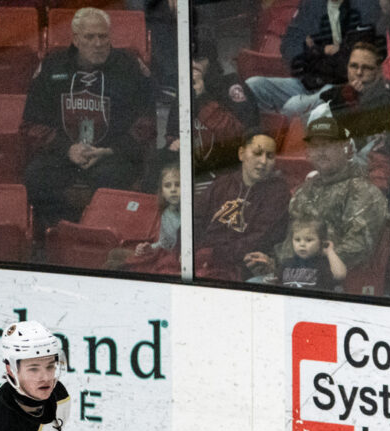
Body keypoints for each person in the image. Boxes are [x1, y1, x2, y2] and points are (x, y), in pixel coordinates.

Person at [22, 7, 154, 237]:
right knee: (37, 175)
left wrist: (110, 150)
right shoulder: (53, 66)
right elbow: (31, 124)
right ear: (75, 38)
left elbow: (146, 123)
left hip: (111, 155)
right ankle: (55, 239)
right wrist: (67, 149)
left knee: (115, 177)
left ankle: (103, 240)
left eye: (103, 36)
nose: (98, 43)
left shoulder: (129, 67)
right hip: (61, 153)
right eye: (89, 37)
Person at [276, 116, 389, 279]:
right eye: (315, 146)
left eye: (328, 144)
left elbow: (357, 248)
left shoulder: (363, 191)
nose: (321, 151)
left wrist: (307, 269)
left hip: (336, 285)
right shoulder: (303, 192)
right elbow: (290, 241)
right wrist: (276, 265)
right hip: (296, 277)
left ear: (344, 147)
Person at [246, 0, 381, 119]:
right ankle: (261, 142)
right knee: (253, 86)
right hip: (310, 80)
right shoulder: (314, 3)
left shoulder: (365, 5)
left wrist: (313, 52)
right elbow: (289, 44)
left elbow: (355, 58)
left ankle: (291, 142)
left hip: (340, 85)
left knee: (293, 105)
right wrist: (322, 51)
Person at [197, 133, 293, 283]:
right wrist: (186, 249)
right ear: (241, 154)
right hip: (202, 257)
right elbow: (194, 219)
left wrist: (213, 254)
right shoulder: (222, 184)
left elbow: (259, 240)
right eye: (257, 153)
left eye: (270, 156)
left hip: (240, 267)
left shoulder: (278, 193)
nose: (263, 161)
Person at [164, 38, 261, 178]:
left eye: (199, 59)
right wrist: (174, 142)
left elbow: (240, 135)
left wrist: (203, 98)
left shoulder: (231, 86)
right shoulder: (184, 88)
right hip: (192, 163)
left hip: (228, 164)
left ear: (211, 61)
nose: (193, 64)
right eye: (189, 59)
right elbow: (172, 131)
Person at [306, 39, 390, 153]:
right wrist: (346, 95)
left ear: (378, 72)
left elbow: (359, 140)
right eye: (353, 66)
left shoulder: (386, 98)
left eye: (366, 68)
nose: (358, 73)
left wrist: (352, 99)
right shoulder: (340, 92)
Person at [112, 161, 183, 275]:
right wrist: (150, 248)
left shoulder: (193, 212)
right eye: (168, 185)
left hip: (176, 260)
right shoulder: (167, 212)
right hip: (164, 254)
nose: (173, 189)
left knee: (118, 264)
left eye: (178, 185)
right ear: (162, 192)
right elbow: (164, 243)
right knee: (114, 254)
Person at [277, 217, 349, 290]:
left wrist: (330, 251)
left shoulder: (325, 263)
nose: (302, 244)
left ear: (321, 242)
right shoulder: (286, 264)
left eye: (309, 240)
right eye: (297, 240)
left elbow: (340, 275)